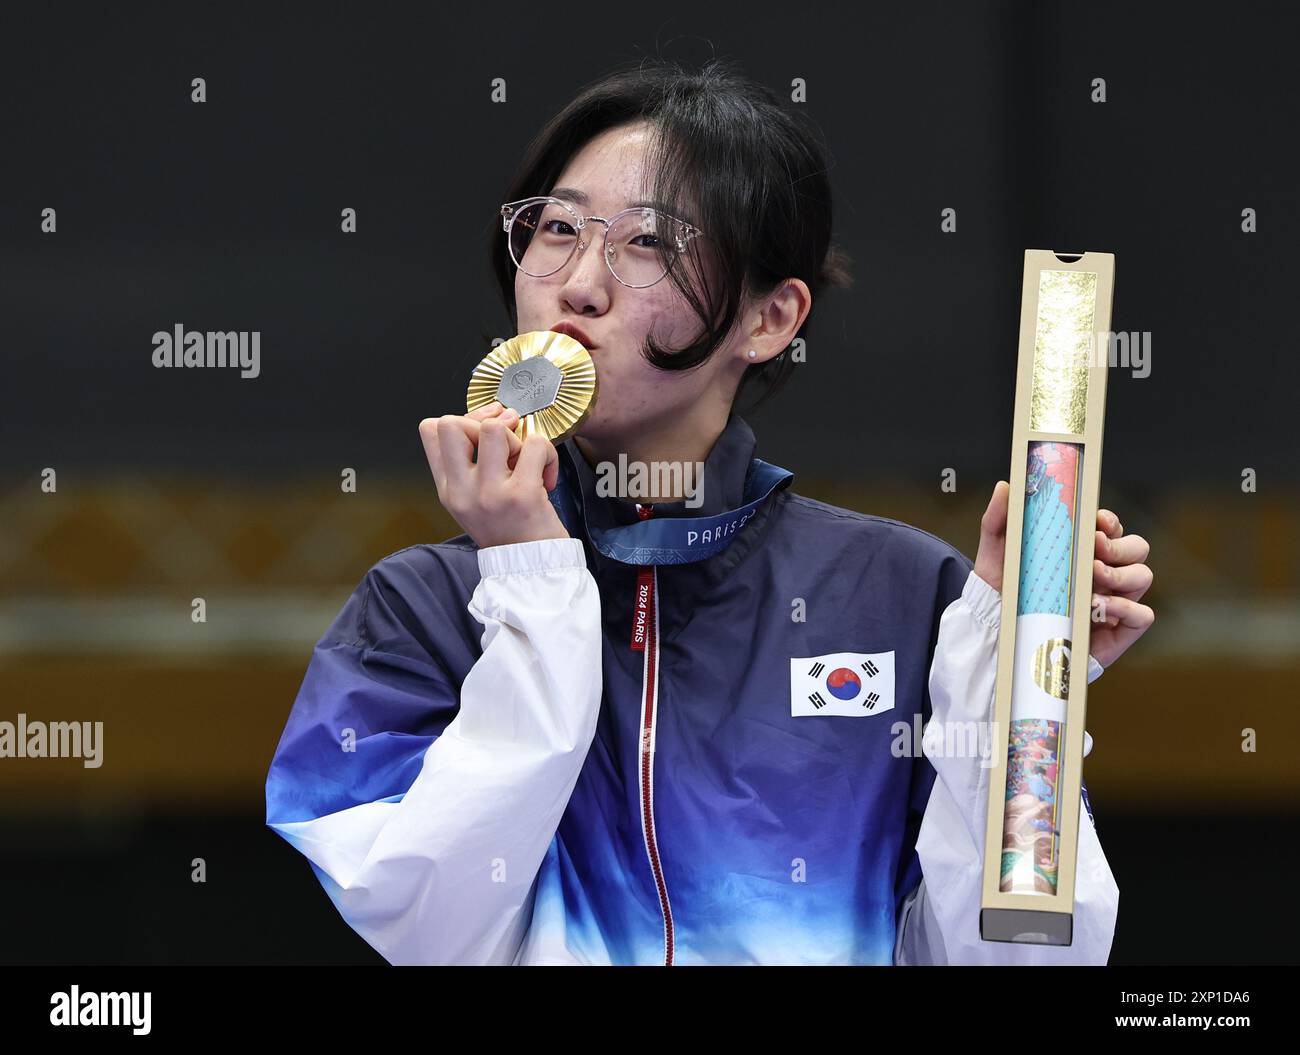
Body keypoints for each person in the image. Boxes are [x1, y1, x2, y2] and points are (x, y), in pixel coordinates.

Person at [264, 57, 1155, 965]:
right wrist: (529, 580)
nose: (578, 281)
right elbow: (427, 927)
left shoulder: (907, 598)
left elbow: (1028, 957)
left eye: (647, 241)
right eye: (557, 227)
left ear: (770, 319)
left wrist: (1015, 680)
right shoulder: (419, 609)